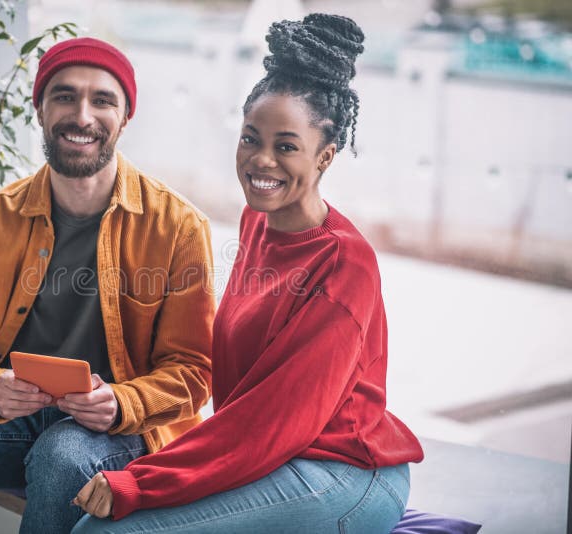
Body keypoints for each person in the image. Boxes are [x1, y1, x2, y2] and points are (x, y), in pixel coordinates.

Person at [71, 14, 424, 534]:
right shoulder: (257, 221)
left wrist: (141, 482)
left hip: (346, 474)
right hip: (278, 453)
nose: (261, 161)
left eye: (286, 146)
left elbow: (274, 418)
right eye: (250, 139)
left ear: (325, 156)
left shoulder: (344, 265)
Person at [0, 37, 216, 534]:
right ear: (39, 109)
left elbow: (192, 372)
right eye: (64, 96)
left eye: (102, 100)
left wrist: (122, 402)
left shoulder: (178, 226)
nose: (82, 115)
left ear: (125, 119)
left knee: (63, 454)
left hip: (118, 431)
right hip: (13, 419)